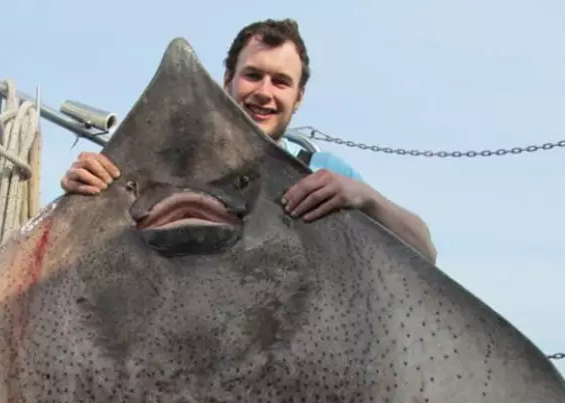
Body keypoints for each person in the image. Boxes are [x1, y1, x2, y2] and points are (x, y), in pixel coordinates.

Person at [59, 18, 437, 263]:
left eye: (281, 81)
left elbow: (424, 252)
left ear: (299, 97)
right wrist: (78, 202)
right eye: (252, 75)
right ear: (228, 80)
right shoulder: (165, 166)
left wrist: (364, 198)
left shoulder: (325, 173)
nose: (264, 92)